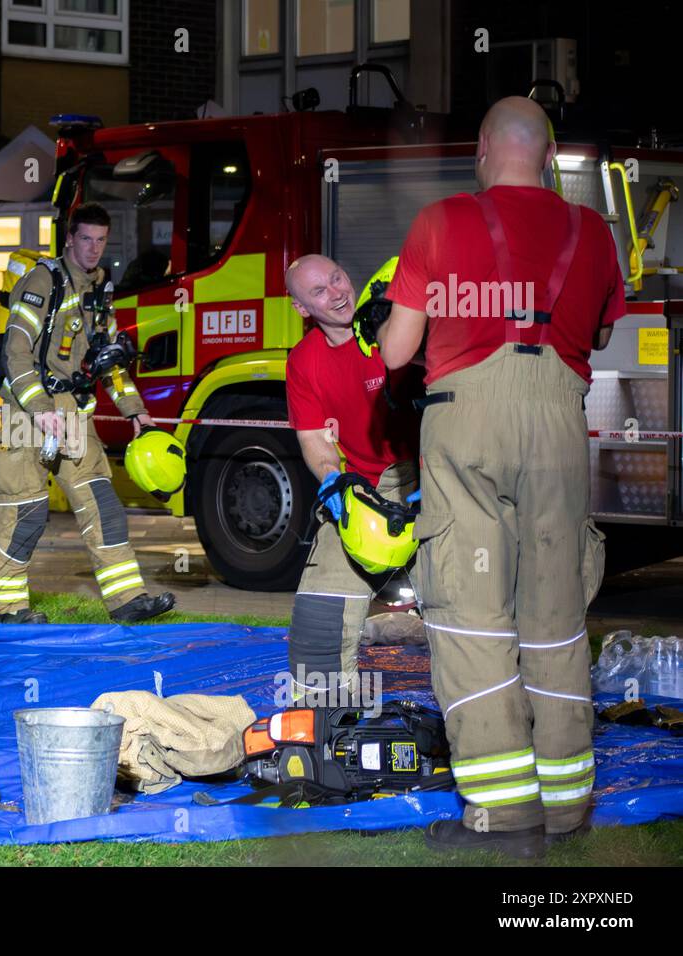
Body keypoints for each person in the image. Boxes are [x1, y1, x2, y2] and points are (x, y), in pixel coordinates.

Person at [380, 96, 625, 857]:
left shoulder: (440, 222)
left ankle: (503, 818)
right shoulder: (595, 233)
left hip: (466, 420)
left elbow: (394, 355)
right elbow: (604, 331)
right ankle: (566, 809)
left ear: (485, 150)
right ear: (548, 156)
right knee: (554, 619)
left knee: (470, 618)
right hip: (558, 422)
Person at [0, 202, 175, 624]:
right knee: (25, 512)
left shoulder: (100, 291)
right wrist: (39, 410)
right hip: (24, 413)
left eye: (100, 240)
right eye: (85, 239)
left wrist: (135, 413)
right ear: (70, 238)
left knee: (102, 503)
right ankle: (9, 610)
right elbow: (15, 355)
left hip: (74, 414)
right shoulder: (42, 280)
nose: (92, 249)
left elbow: (110, 362)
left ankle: (127, 601)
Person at [283, 254, 421, 703]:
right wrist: (335, 481)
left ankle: (488, 731)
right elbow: (315, 440)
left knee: (470, 612)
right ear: (302, 309)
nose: (338, 293)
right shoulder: (304, 361)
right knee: (319, 620)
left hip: (430, 477)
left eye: (337, 278)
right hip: (361, 486)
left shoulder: (397, 330)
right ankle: (324, 731)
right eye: (319, 291)